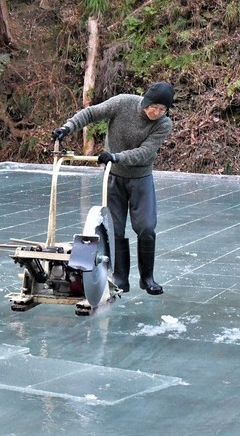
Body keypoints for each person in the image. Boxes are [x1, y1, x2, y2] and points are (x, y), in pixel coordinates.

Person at [52, 81, 175, 295]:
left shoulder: (163, 124)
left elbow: (145, 152)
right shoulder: (122, 103)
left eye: (162, 109)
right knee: (115, 229)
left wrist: (116, 157)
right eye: (154, 106)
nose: (156, 112)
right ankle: (121, 278)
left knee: (146, 227)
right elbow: (91, 113)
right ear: (146, 101)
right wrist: (67, 128)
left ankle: (147, 278)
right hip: (114, 178)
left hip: (140, 179)